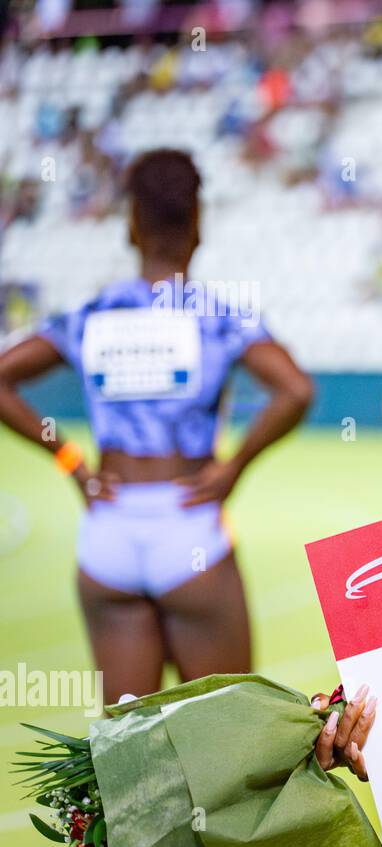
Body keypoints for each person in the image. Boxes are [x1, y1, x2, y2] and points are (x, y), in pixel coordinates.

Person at [0, 149, 315, 702]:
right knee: (228, 736)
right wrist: (234, 467)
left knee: (131, 751)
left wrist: (70, 461)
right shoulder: (219, 317)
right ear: (198, 224)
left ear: (130, 226)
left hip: (109, 532)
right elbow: (296, 389)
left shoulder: (92, 314)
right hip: (188, 525)